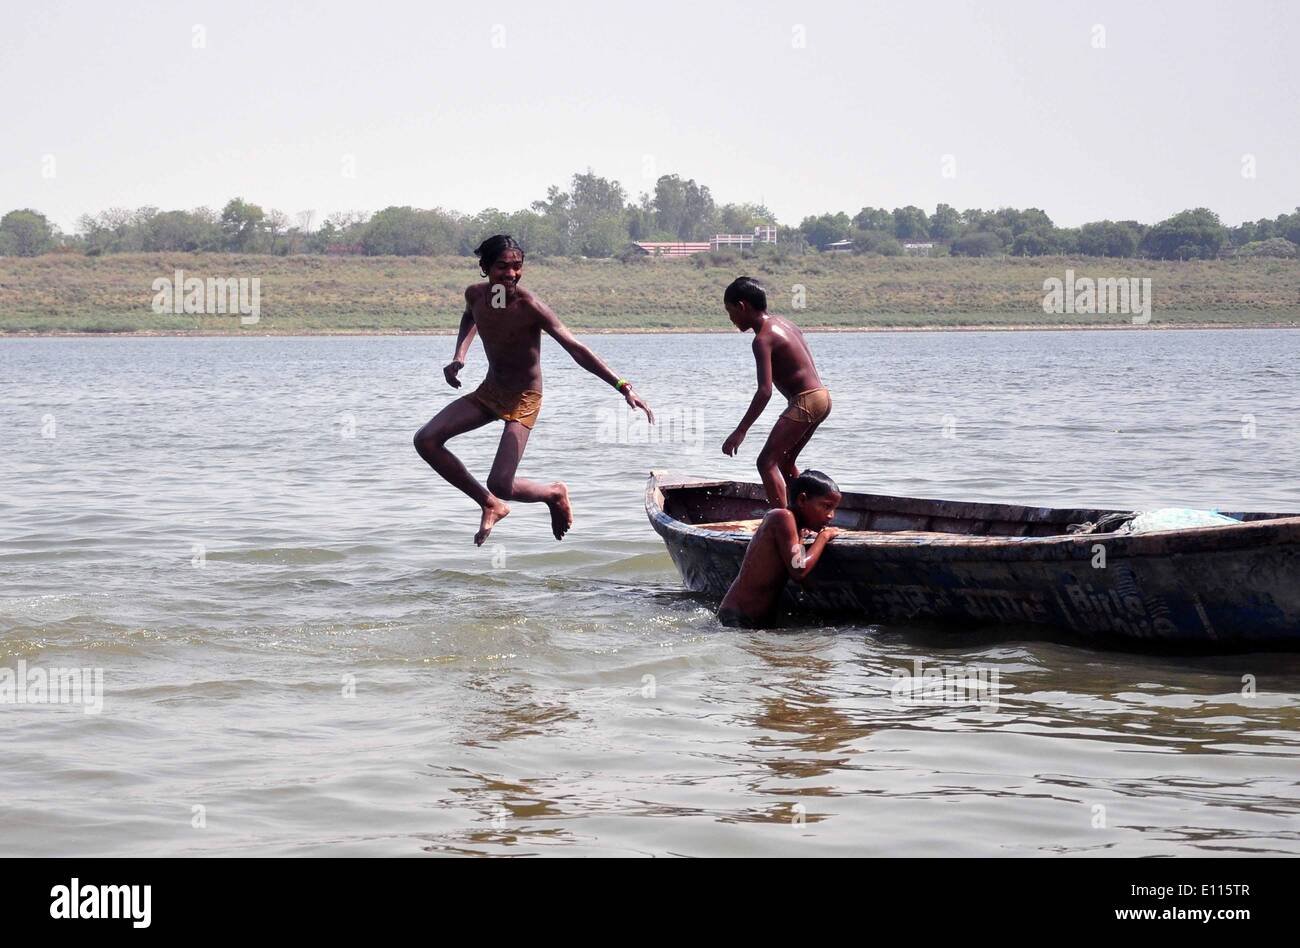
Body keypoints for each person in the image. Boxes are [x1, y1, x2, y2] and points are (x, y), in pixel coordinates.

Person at [414, 235, 654, 545]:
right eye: (502, 267)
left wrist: (623, 386)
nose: (511, 275)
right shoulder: (475, 294)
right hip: (491, 390)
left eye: (517, 267)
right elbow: (470, 315)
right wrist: (459, 356)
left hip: (524, 398)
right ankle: (488, 504)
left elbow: (575, 348)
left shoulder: (529, 306)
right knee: (426, 440)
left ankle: (554, 493)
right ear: (485, 268)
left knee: (500, 482)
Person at [721, 276, 832, 508]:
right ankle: (803, 513)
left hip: (806, 400)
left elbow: (764, 391)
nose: (730, 319)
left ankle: (782, 522)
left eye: (730, 312)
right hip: (822, 396)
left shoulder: (762, 339)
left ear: (742, 306)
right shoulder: (783, 323)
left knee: (765, 462)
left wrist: (741, 431)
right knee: (785, 460)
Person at [717, 470, 842, 628]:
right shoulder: (782, 517)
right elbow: (799, 570)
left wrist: (803, 536)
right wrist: (823, 537)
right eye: (826, 506)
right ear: (802, 500)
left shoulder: (796, 527)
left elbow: (801, 575)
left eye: (834, 509)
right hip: (737, 617)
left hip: (759, 621)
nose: (831, 515)